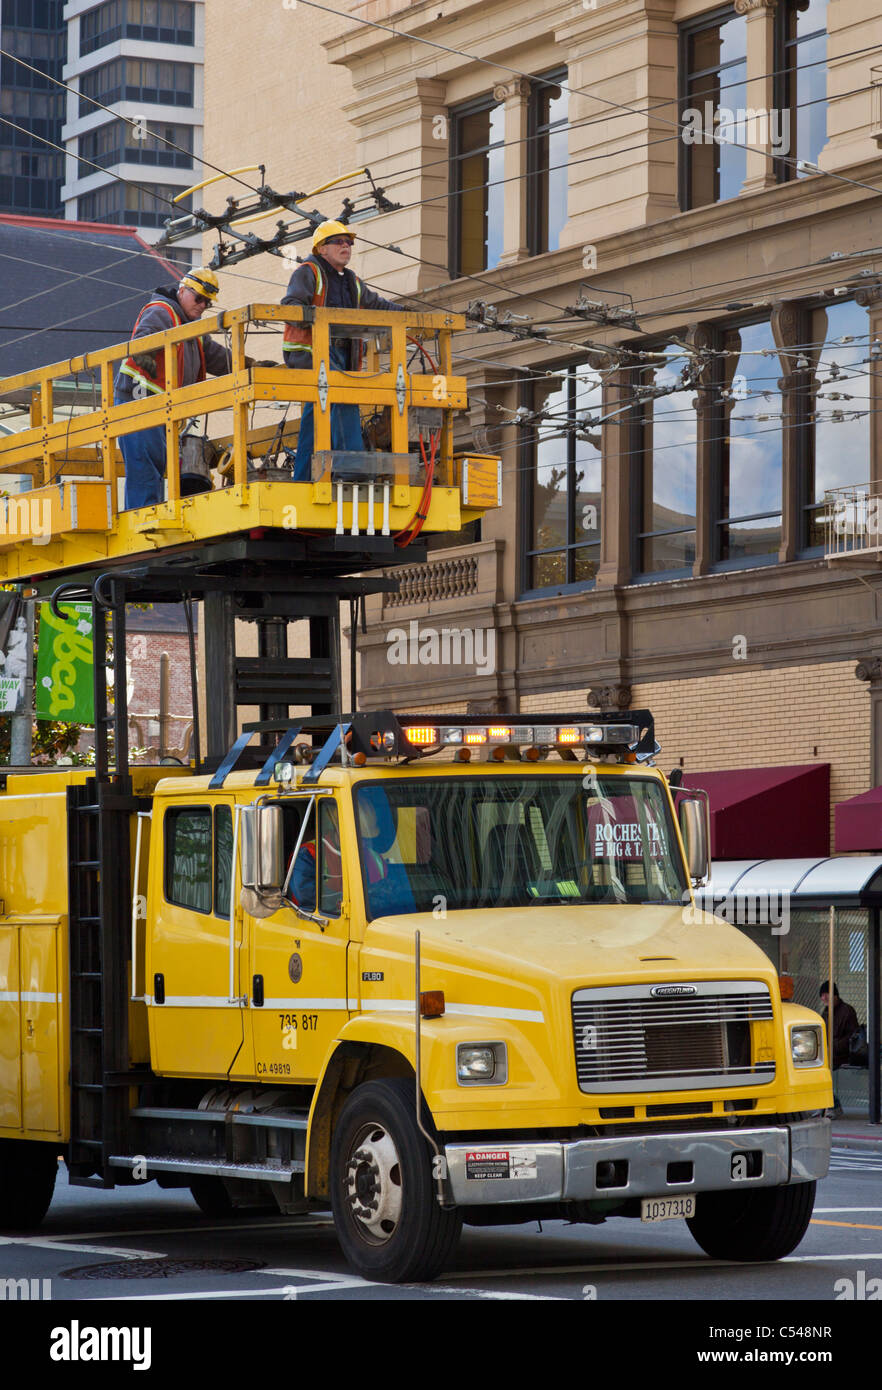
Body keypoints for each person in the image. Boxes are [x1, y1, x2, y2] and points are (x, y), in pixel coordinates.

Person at [115, 267, 265, 509]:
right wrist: (144, 354)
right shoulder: (162, 312)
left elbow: (217, 357)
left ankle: (148, 512)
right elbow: (143, 337)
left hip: (159, 405)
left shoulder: (191, 327)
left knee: (156, 462)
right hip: (138, 399)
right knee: (145, 462)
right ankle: (141, 516)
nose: (202, 305)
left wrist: (249, 365)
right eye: (199, 298)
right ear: (182, 291)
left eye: (207, 302)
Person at [281, 221, 405, 480]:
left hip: (340, 353)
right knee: (342, 396)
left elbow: (376, 305)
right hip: (311, 352)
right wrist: (314, 318)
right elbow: (291, 305)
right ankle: (352, 467)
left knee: (316, 417)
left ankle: (303, 478)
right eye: (339, 241)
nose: (346, 246)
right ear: (322, 248)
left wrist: (409, 317)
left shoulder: (351, 281)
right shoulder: (308, 271)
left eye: (349, 242)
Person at [820, 980, 859, 1119]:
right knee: (816, 1070)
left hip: (842, 1054)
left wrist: (833, 1046)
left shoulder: (847, 1011)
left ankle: (832, 1106)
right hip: (830, 1053)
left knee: (820, 1072)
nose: (824, 998)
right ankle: (830, 1106)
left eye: (827, 994)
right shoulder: (825, 1012)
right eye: (822, 995)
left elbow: (852, 1037)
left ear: (835, 995)